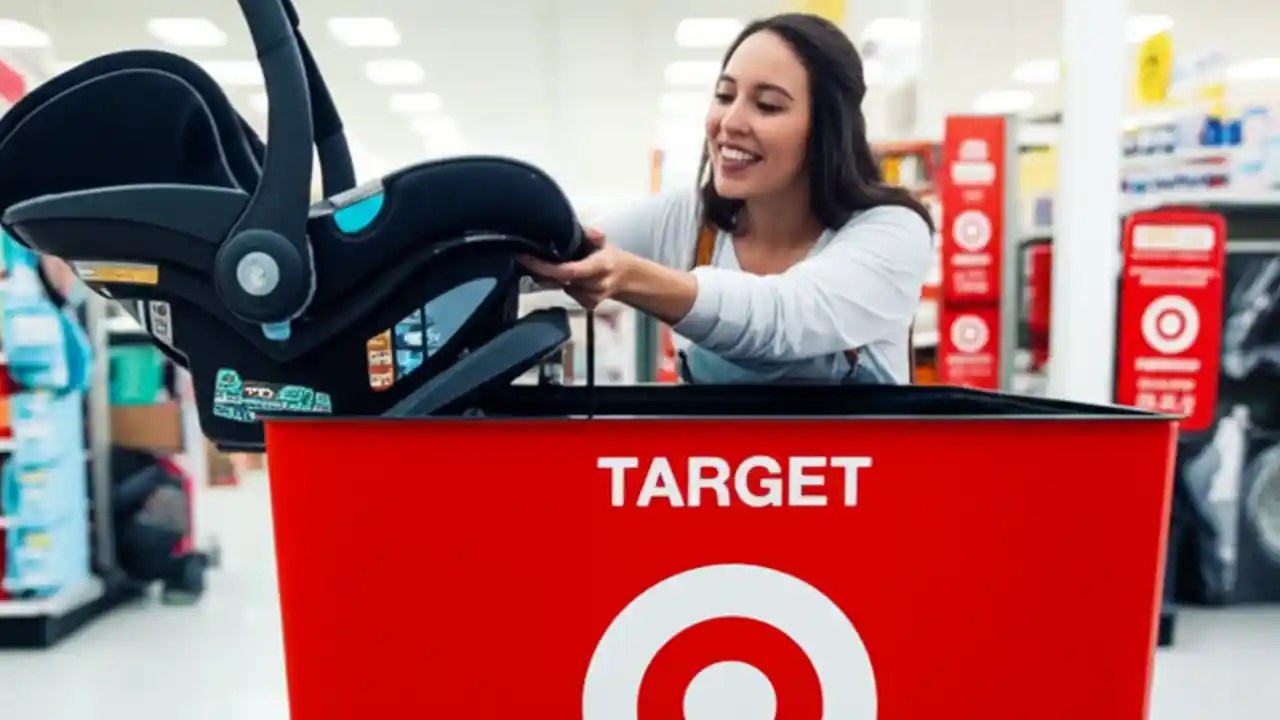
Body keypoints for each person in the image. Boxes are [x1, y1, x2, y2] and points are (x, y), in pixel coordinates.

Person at [521, 13, 935, 385]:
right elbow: (556, 251)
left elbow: (781, 320)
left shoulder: (891, 232)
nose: (731, 122)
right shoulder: (689, 221)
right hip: (713, 472)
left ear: (828, 130)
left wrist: (629, 277)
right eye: (724, 96)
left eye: (768, 106)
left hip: (854, 471)